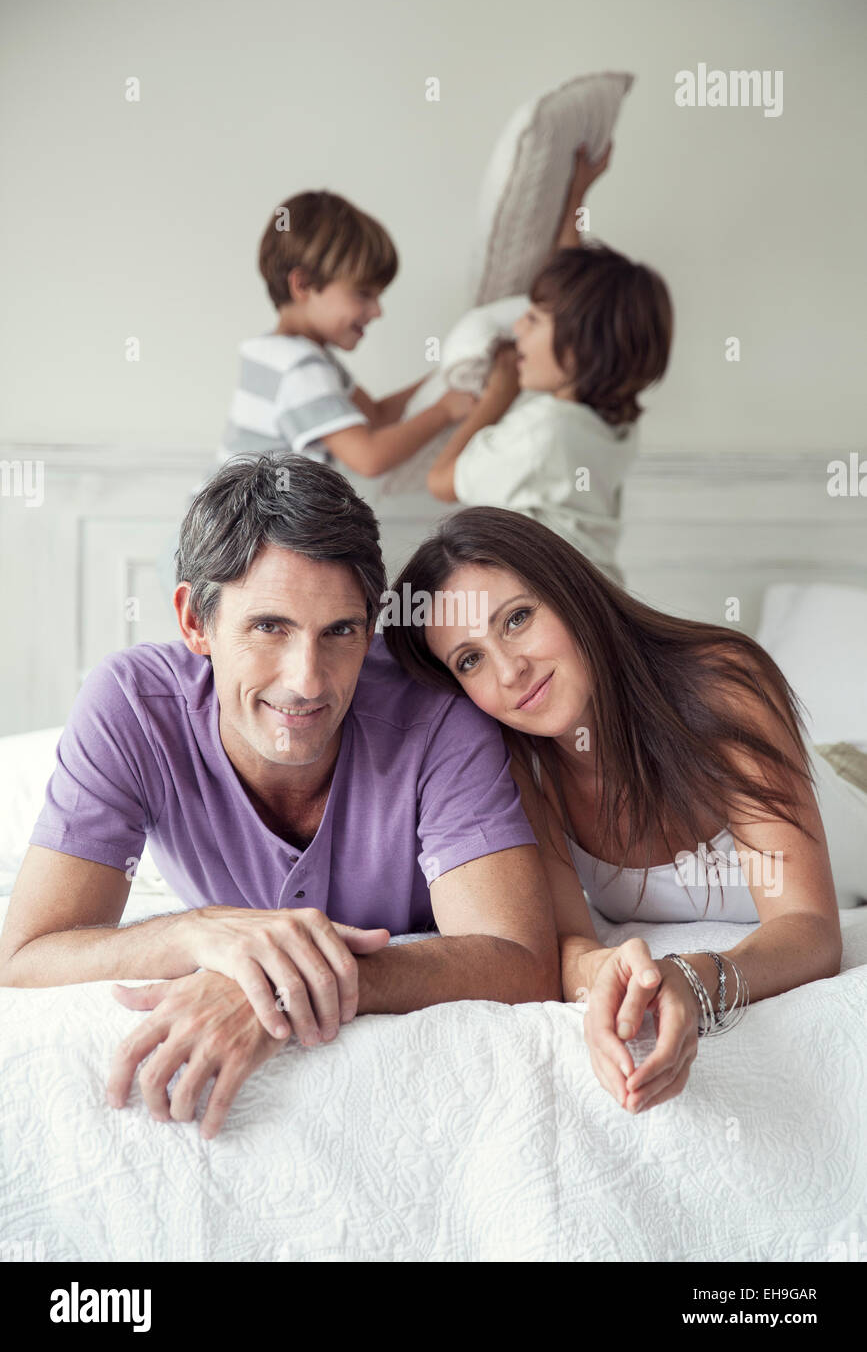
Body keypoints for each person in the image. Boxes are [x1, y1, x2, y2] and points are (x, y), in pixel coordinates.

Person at [0, 457, 559, 1139]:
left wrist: (278, 981)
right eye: (269, 627)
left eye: (340, 631)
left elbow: (521, 961)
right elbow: (27, 956)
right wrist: (197, 932)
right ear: (194, 621)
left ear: (371, 627)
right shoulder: (131, 706)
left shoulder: (438, 715)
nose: (307, 681)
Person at [382, 505, 843, 1116]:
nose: (511, 670)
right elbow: (568, 946)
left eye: (517, 618)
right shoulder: (518, 763)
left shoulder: (725, 686)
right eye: (470, 659)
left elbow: (811, 927)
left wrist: (694, 977)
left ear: (570, 592)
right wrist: (620, 979)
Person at [426, 146, 673, 587]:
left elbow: (441, 481)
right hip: (602, 593)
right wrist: (575, 198)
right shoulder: (613, 421)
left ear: (577, 350)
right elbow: (574, 307)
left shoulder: (541, 433)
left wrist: (497, 398)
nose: (518, 326)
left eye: (534, 319)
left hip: (559, 605)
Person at [220, 188, 475, 477]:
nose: (377, 311)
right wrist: (443, 412)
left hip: (226, 505)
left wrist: (444, 376)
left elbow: (376, 416)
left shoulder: (288, 354)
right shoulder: (300, 367)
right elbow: (369, 458)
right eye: (363, 294)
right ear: (303, 285)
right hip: (246, 508)